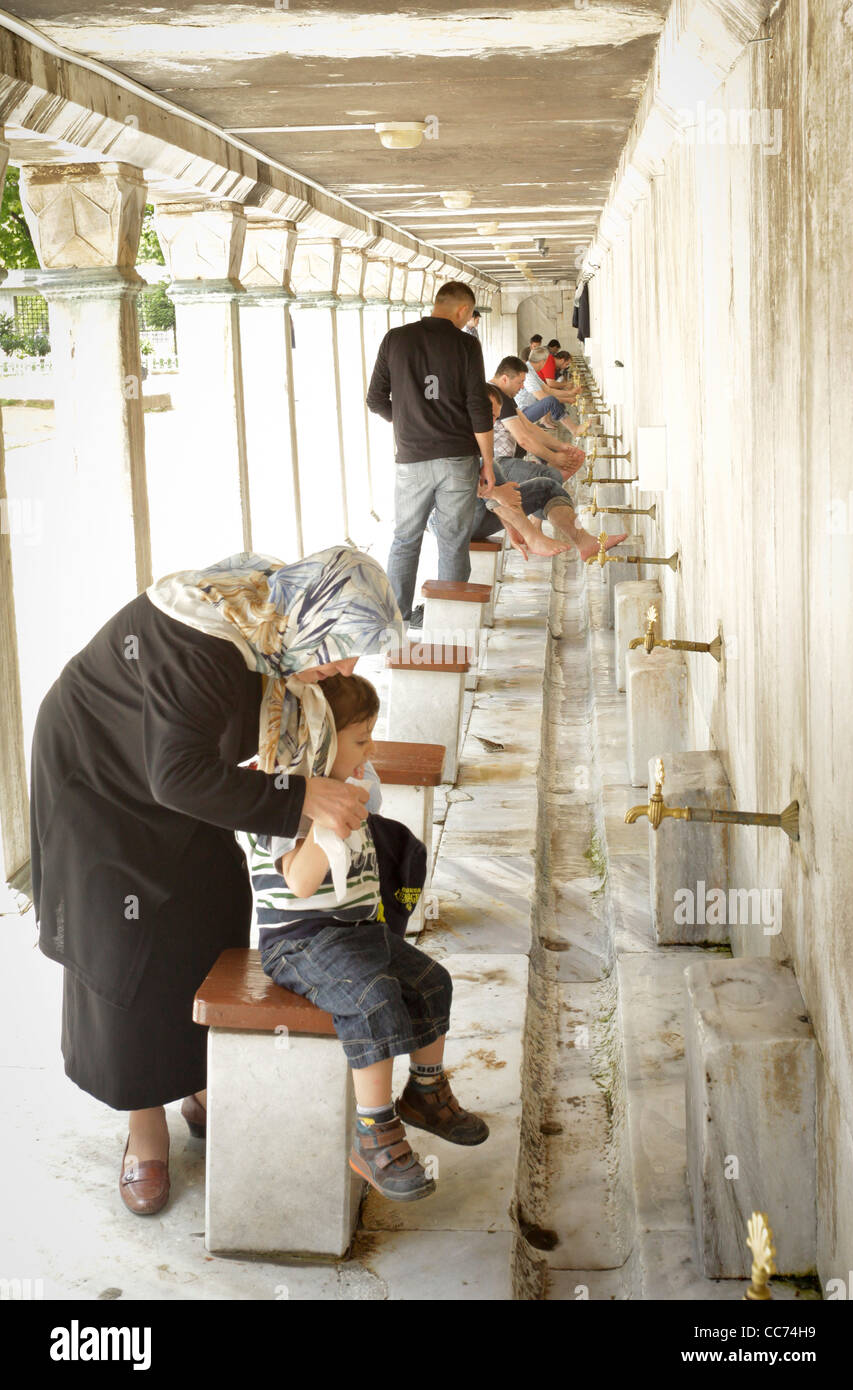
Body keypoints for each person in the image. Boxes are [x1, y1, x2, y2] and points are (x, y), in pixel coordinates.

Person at [29, 546, 402, 1216]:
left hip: (174, 772)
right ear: (313, 617)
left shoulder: (267, 620)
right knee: (125, 946)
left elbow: (191, 767)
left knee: (210, 905)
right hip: (98, 781)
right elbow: (174, 777)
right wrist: (300, 798)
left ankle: (198, 1082)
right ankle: (146, 1132)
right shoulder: (202, 648)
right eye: (342, 650)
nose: (344, 668)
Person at [255, 672, 488, 1203]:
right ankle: (374, 1132)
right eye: (360, 739)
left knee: (432, 981)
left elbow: (373, 802)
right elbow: (299, 880)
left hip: (358, 930)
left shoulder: (346, 780)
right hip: (300, 940)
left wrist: (355, 777)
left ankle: (425, 1093)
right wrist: (325, 822)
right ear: (318, 739)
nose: (371, 748)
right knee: (372, 998)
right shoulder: (279, 794)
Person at [366, 280, 495, 628]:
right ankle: (448, 626)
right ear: (463, 310)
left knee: (405, 540)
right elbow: (478, 407)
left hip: (412, 459)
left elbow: (375, 399)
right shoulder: (467, 345)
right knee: (453, 542)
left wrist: (409, 419)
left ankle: (397, 623)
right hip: (458, 458)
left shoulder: (396, 339)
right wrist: (489, 463)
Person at [434, 385, 616, 562]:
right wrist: (494, 492)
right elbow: (449, 482)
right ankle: (532, 535)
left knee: (547, 486)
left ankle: (584, 541)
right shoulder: (452, 434)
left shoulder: (480, 434)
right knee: (489, 468)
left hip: (475, 516)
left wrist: (512, 529)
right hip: (449, 520)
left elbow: (529, 430)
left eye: (495, 418)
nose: (490, 423)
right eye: (489, 415)